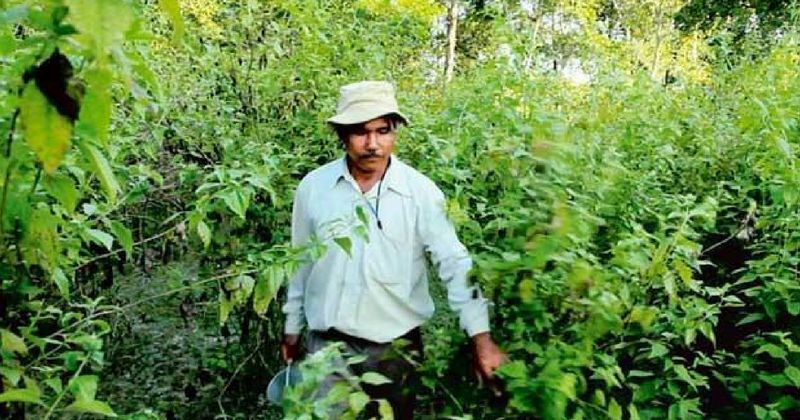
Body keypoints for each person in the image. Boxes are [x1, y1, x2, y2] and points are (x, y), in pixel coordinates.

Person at [281, 80, 506, 418]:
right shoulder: (314, 188)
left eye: (382, 130)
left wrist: (481, 338)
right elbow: (300, 263)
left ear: (394, 132)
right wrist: (292, 329)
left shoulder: (419, 193)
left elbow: (454, 264)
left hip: (396, 350)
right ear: (342, 135)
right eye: (360, 132)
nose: (372, 144)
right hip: (326, 349)